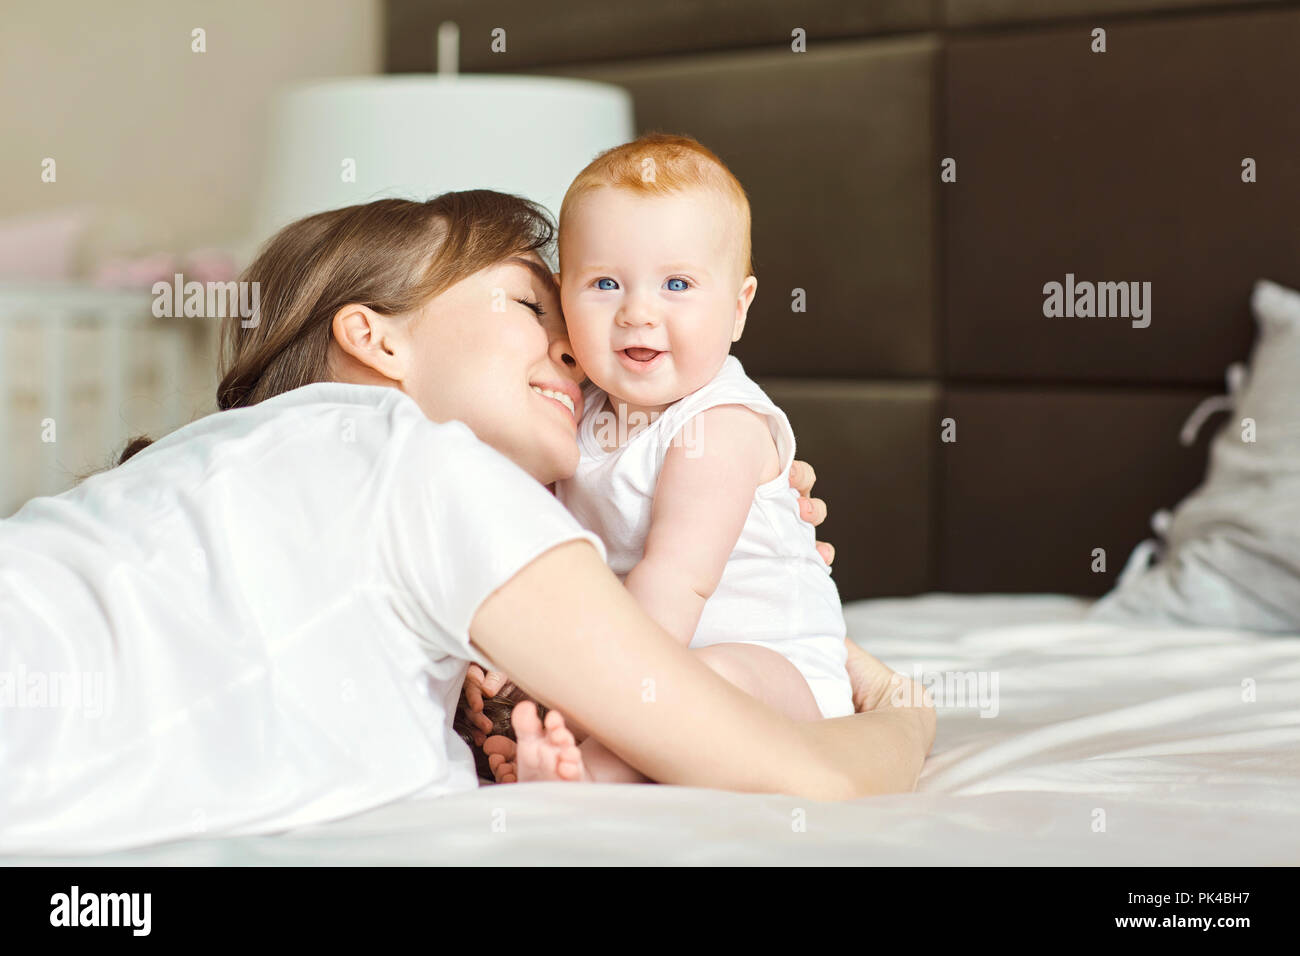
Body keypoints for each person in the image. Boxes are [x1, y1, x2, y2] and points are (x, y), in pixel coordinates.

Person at [0, 190, 934, 854]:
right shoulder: (418, 463)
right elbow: (810, 777)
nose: (576, 349)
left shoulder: (232, 474)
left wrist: (729, 540)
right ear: (375, 336)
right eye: (531, 305)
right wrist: (903, 714)